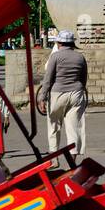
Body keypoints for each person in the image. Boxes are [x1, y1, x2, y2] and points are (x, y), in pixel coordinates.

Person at [35, 29, 88, 166]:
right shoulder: (80, 57)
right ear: (72, 43)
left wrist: (42, 97)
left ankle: (54, 160)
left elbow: (48, 79)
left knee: (54, 127)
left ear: (59, 43)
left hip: (57, 94)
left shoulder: (55, 57)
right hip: (76, 94)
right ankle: (72, 161)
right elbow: (83, 79)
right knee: (74, 127)